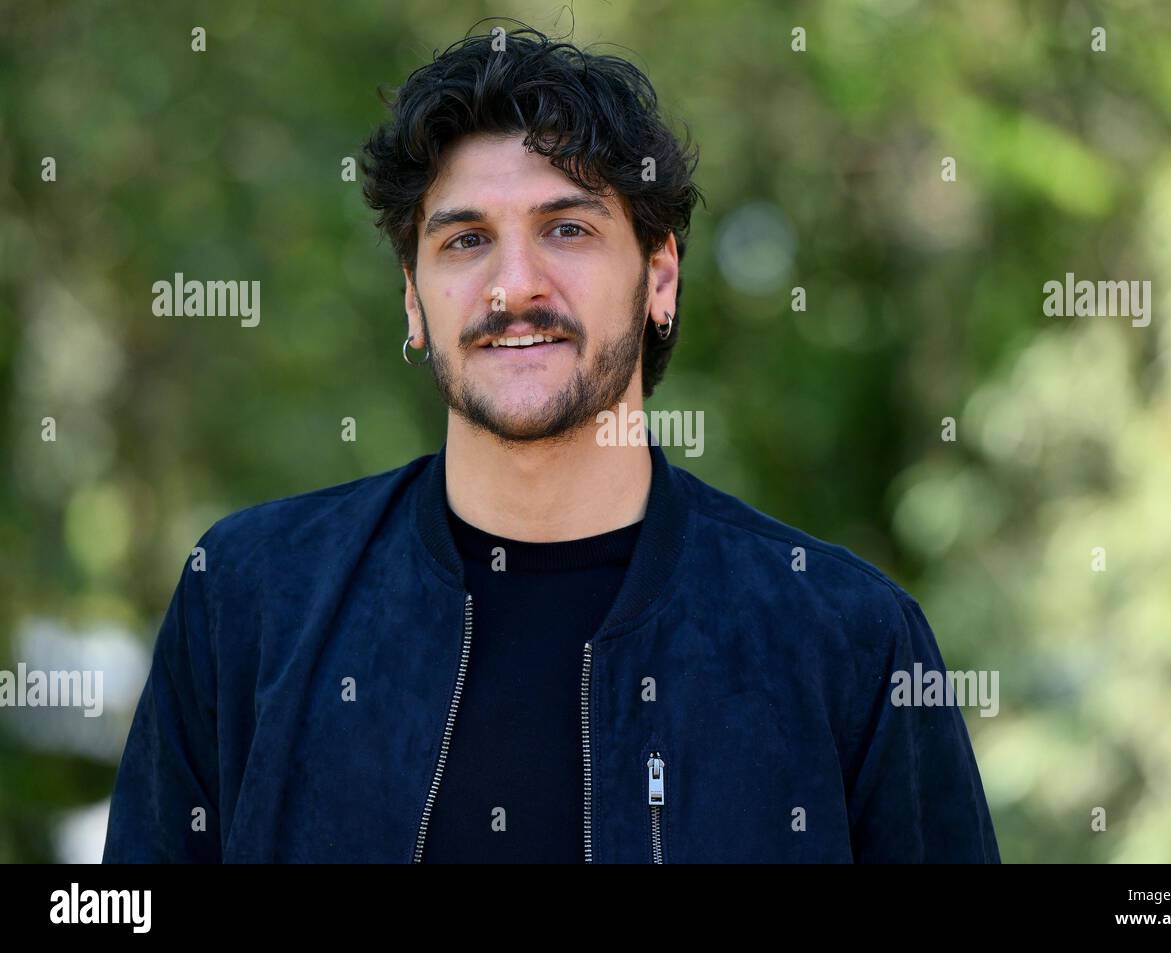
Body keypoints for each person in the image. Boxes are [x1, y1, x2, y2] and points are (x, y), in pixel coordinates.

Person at [102, 24, 999, 863]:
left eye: (567, 228)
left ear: (660, 277)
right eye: (464, 241)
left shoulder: (847, 638)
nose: (514, 285)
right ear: (414, 299)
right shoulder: (250, 601)